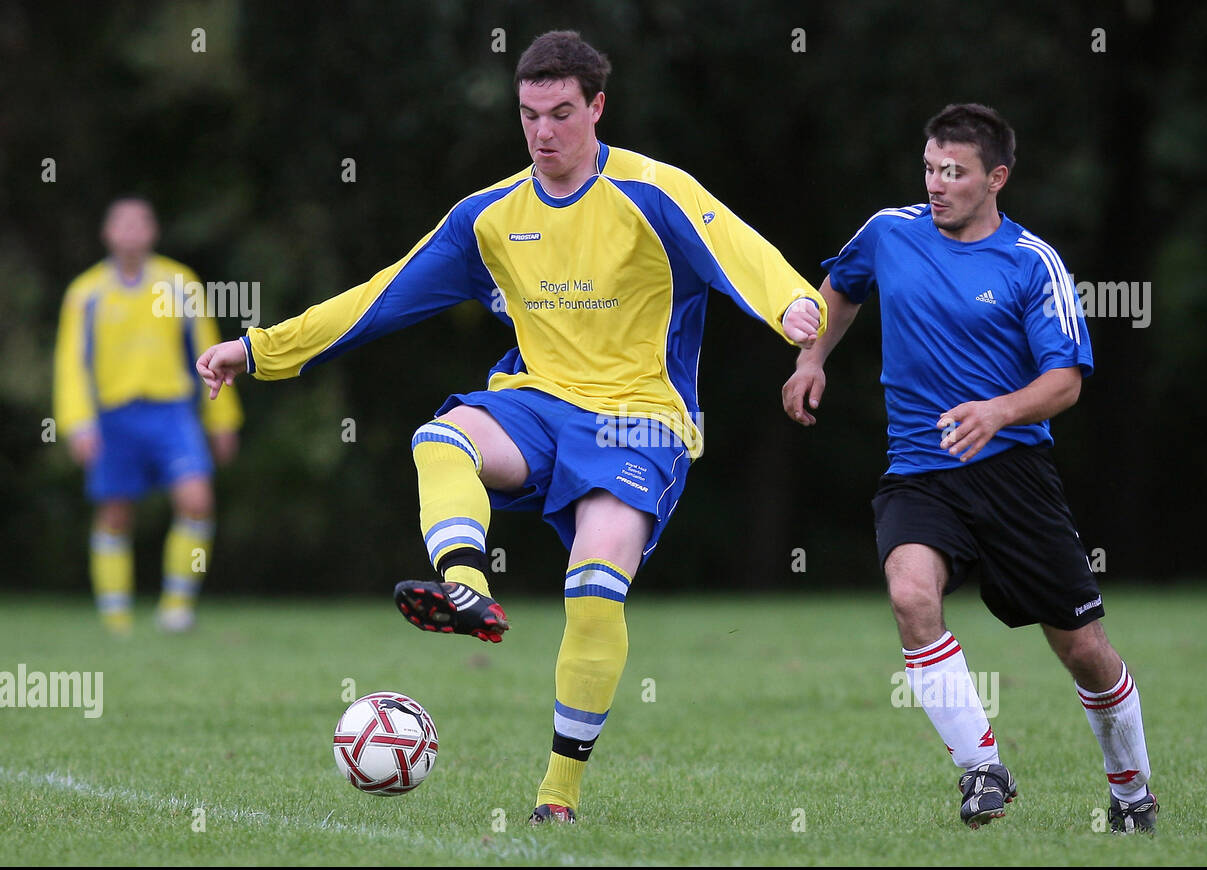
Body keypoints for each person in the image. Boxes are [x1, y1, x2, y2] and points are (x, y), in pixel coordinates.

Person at [197, 30, 825, 824]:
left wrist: (791, 305)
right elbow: (378, 296)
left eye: (562, 113)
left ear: (598, 107)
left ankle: (557, 798)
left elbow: (738, 251)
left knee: (594, 595)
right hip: (537, 404)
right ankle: (466, 585)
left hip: (641, 422)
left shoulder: (654, 190)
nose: (544, 133)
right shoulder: (491, 217)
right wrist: (258, 350)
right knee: (443, 435)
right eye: (529, 115)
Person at [782, 103, 1157, 833]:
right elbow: (841, 287)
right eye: (930, 168)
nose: (937, 184)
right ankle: (982, 766)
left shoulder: (1031, 262)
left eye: (954, 172)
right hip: (920, 471)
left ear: (997, 178)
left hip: (1014, 476)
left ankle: (1132, 794)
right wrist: (811, 358)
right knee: (911, 595)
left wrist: (998, 411)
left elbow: (1067, 381)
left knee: (1082, 648)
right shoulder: (889, 232)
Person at [54, 197, 242, 635]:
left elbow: (210, 351)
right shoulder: (85, 293)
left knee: (197, 501)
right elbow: (71, 365)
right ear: (107, 233)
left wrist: (222, 419)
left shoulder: (181, 283)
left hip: (173, 413)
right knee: (115, 513)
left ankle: (176, 608)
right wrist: (77, 422)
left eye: (141, 223)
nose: (132, 231)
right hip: (113, 416)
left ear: (153, 232)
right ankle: (116, 618)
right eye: (122, 223)